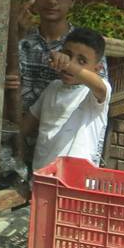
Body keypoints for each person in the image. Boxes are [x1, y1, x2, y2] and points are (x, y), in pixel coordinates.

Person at [18, 27, 110, 172]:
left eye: (82, 61)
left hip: (77, 183)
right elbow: (25, 128)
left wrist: (68, 64)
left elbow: (99, 87)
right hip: (43, 177)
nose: (72, 63)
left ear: (97, 69)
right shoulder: (52, 88)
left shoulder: (93, 92)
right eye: (68, 55)